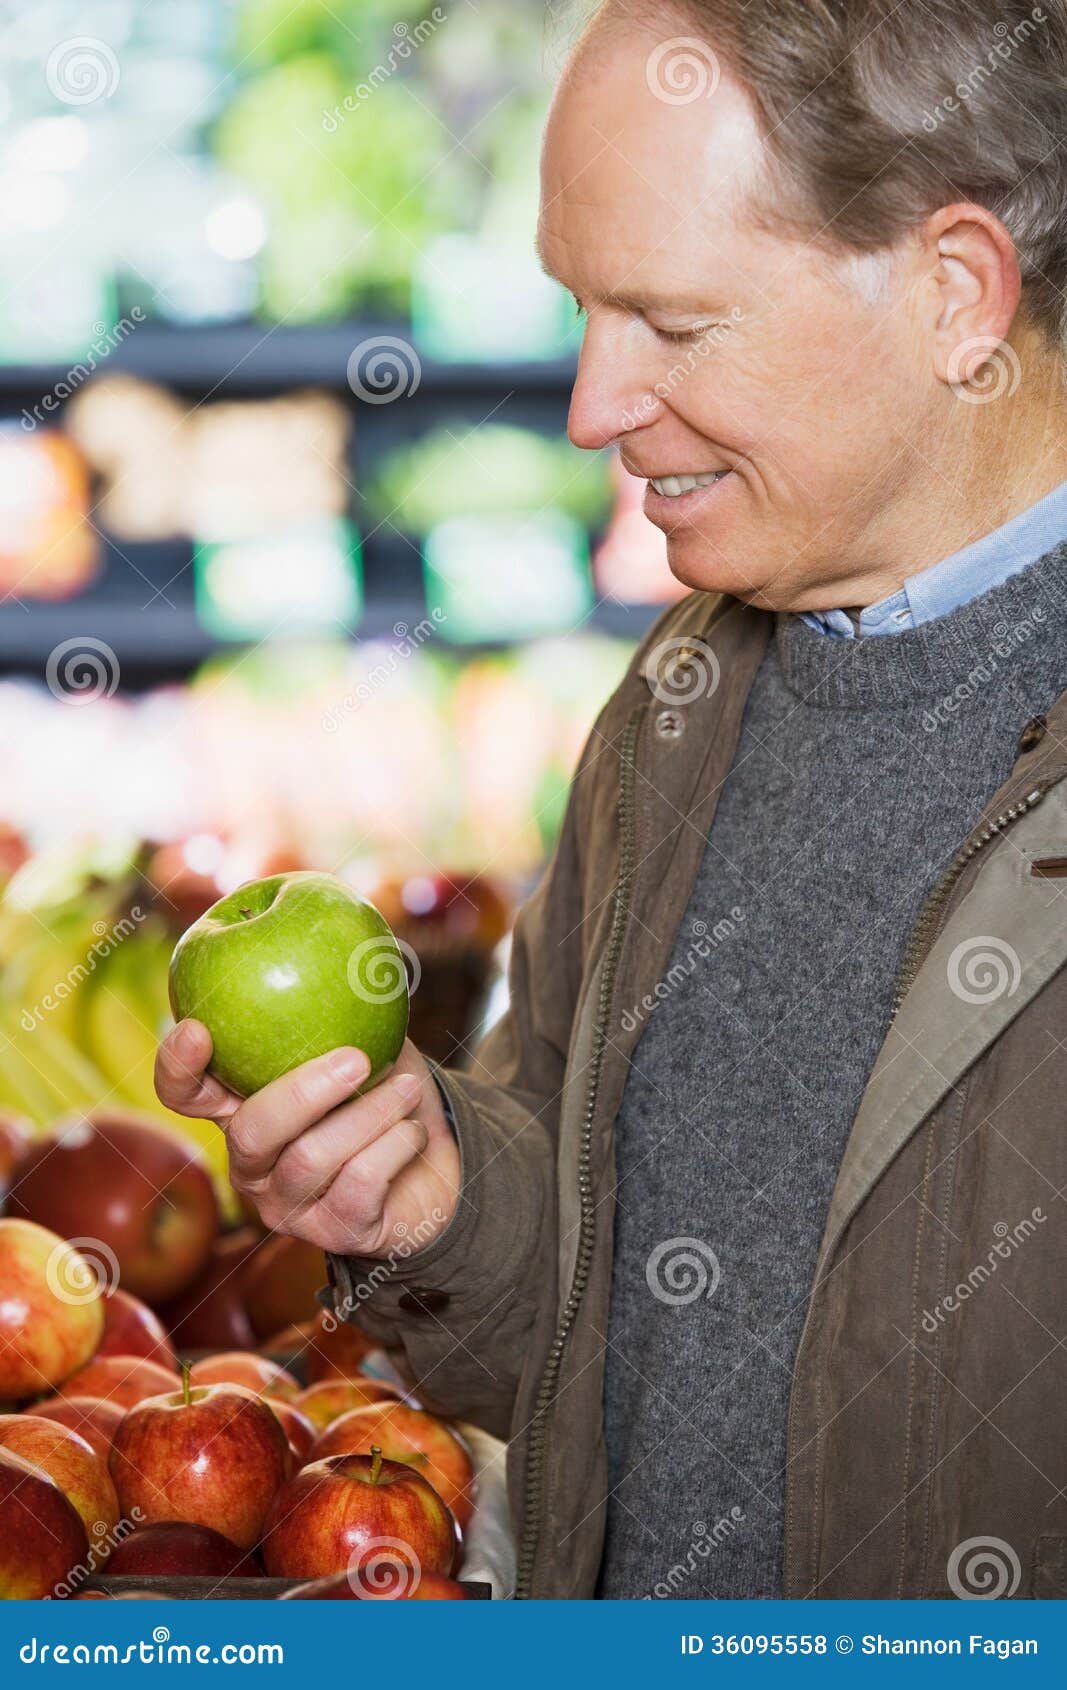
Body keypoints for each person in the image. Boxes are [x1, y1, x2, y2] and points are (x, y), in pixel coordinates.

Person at [156, 0, 1067, 1601]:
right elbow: (588, 1356)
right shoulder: (681, 702)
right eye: (582, 310)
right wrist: (433, 1202)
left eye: (673, 321)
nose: (590, 407)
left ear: (954, 294)